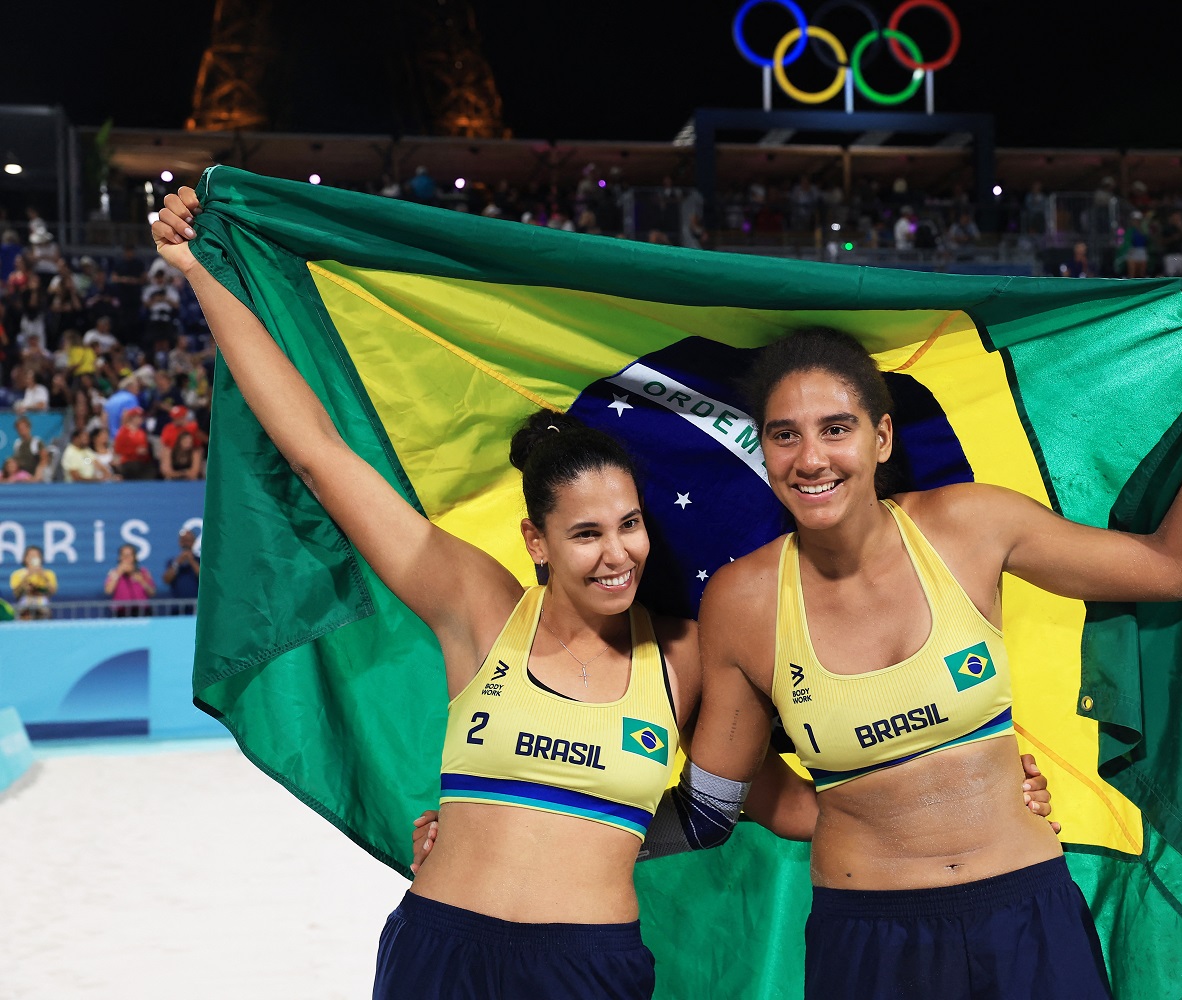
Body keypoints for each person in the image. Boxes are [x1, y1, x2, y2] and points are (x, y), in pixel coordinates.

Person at [153, 180, 1066, 1000]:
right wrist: (204, 274)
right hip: (441, 947)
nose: (617, 553)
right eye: (586, 533)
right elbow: (319, 455)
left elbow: (730, 801)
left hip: (591, 965)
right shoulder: (478, 609)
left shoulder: (687, 652)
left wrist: (949, 809)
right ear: (536, 543)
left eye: (630, 525)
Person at [668, 283, 1182, 998]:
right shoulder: (744, 598)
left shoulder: (968, 527)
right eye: (783, 434)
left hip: (1026, 918)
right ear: (760, 447)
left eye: (836, 428)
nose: (810, 458)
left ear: (880, 437)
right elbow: (720, 800)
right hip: (867, 939)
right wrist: (865, 804)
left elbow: (1178, 567)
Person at [104, 543, 157, 616]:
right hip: (120, 612)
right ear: (119, 557)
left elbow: (152, 592)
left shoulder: (143, 572)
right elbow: (108, 591)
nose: (126, 558)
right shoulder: (114, 572)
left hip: (142, 612)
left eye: (129, 555)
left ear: (135, 557)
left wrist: (141, 581)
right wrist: (119, 573)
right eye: (124, 555)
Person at [9, 546, 57, 620]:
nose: (33, 558)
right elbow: (16, 593)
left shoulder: (49, 573)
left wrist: (44, 577)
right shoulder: (17, 574)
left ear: (41, 559)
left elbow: (52, 592)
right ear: (25, 558)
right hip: (24, 602)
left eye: (36, 556)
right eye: (31, 555)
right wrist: (27, 576)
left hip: (42, 602)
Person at [163, 527, 202, 604]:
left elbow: (203, 577)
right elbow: (166, 579)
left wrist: (191, 560)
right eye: (183, 541)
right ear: (179, 542)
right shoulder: (172, 562)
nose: (185, 543)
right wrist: (178, 562)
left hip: (196, 606)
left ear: (194, 542)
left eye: (188, 541)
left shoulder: (200, 560)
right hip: (178, 608)